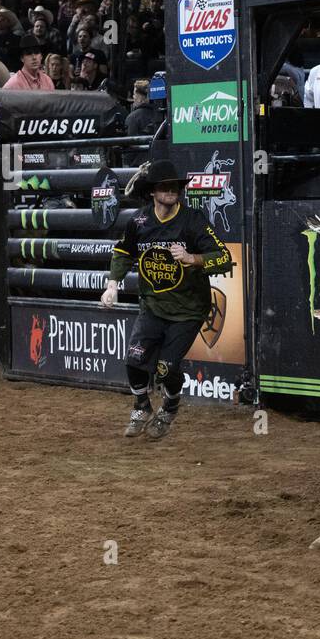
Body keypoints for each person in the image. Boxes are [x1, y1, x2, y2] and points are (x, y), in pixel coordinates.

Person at [100, 159, 234, 440]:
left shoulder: (192, 220)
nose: (171, 191)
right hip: (153, 306)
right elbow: (123, 253)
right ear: (152, 192)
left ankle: (170, 407)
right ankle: (141, 406)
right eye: (165, 187)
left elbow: (223, 258)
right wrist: (112, 284)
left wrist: (192, 258)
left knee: (166, 368)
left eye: (174, 187)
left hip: (188, 309)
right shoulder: (139, 221)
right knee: (134, 360)